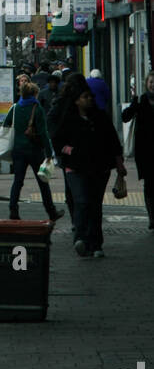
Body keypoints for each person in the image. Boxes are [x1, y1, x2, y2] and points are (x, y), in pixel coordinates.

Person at [49, 75, 125, 258]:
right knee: (82, 201)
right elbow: (57, 140)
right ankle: (81, 238)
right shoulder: (67, 117)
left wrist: (119, 162)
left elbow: (112, 139)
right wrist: (69, 151)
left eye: (90, 96)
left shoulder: (99, 116)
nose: (89, 99)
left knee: (94, 205)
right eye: (85, 97)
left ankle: (95, 243)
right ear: (76, 99)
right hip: (75, 167)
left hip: (99, 167)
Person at [0, 81, 64, 222]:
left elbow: (6, 124)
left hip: (18, 150)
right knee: (43, 181)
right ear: (34, 94)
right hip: (34, 150)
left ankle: (13, 210)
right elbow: (43, 133)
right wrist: (49, 154)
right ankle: (51, 211)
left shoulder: (15, 108)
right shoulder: (37, 108)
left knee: (18, 181)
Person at [122, 71, 154, 229]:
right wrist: (133, 105)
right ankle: (152, 216)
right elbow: (125, 117)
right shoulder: (141, 101)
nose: (153, 85)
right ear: (146, 83)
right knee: (149, 183)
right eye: (151, 82)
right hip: (146, 150)